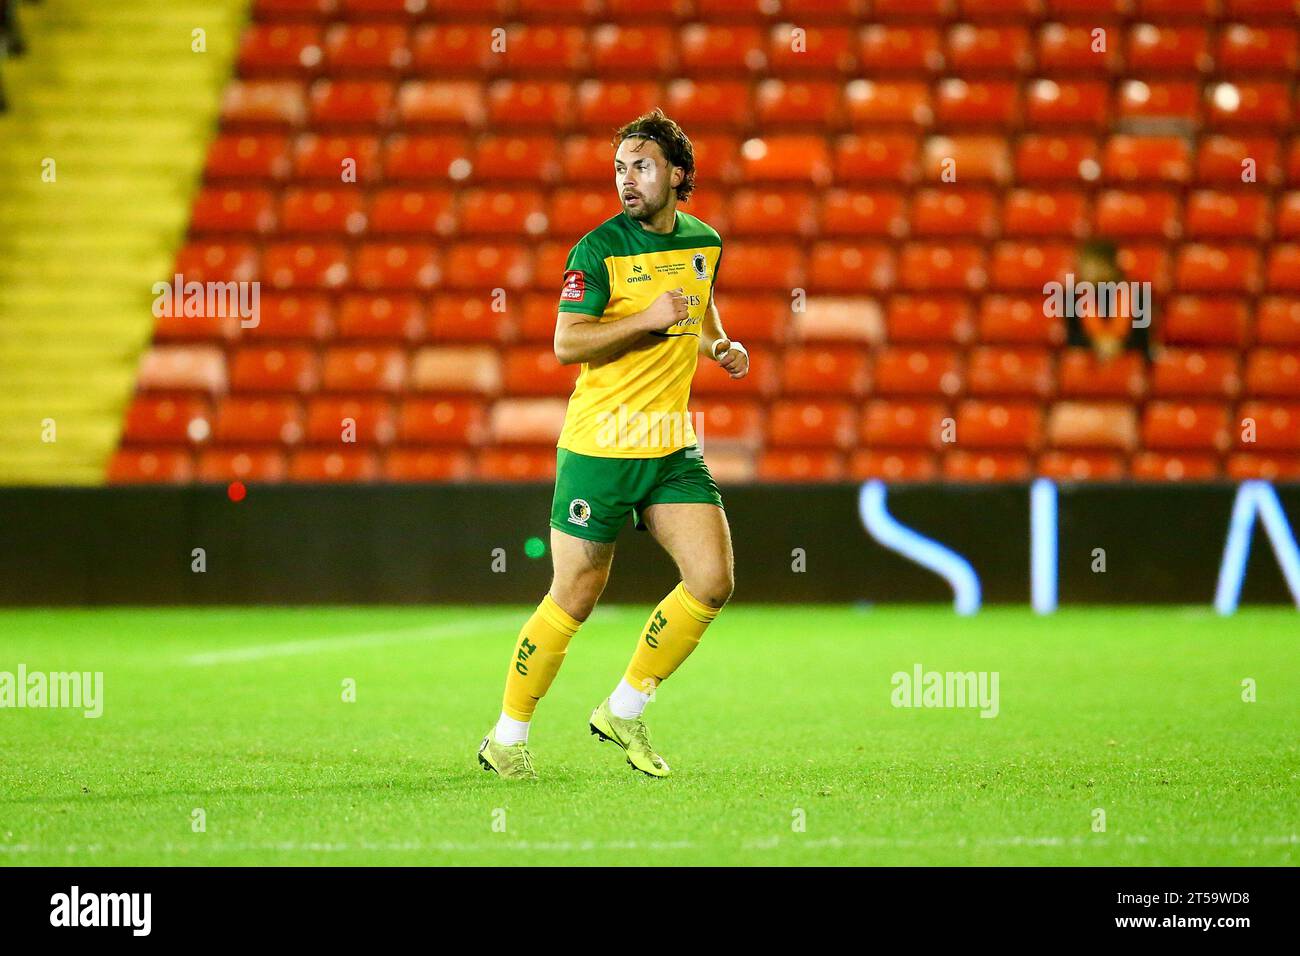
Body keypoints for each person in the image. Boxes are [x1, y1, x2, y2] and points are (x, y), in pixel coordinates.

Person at [476, 109, 750, 780]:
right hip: (601, 445)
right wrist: (644, 320)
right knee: (575, 592)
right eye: (620, 168)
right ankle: (506, 737)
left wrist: (720, 344)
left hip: (669, 446)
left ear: (677, 174)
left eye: (642, 166)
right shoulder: (597, 250)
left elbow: (700, 305)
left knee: (712, 581)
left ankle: (624, 709)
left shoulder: (704, 242)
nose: (627, 180)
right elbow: (568, 343)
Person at [1066, 239, 1152, 362]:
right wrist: (1095, 345)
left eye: (1090, 265)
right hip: (1088, 367)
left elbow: (1143, 341)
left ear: (1108, 265)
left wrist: (1118, 345)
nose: (1083, 270)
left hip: (1128, 365)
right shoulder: (1073, 297)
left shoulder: (1137, 295)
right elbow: (1071, 341)